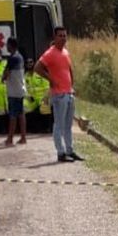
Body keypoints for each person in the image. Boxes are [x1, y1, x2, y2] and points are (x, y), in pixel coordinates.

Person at [34, 26, 82, 163]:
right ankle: (60, 152)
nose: (63, 38)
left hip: (68, 92)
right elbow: (38, 67)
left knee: (68, 125)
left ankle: (70, 150)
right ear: (54, 38)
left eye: (64, 36)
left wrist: (72, 86)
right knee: (59, 124)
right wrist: (51, 79)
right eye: (60, 36)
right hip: (58, 95)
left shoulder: (66, 52)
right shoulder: (50, 53)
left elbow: (69, 69)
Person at [2, 37, 28, 146]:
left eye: (7, 45)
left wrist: (2, 77)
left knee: (13, 115)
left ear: (11, 45)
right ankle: (23, 137)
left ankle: (10, 138)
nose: (6, 47)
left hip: (14, 91)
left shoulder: (12, 58)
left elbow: (6, 74)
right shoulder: (20, 56)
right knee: (21, 114)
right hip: (20, 89)